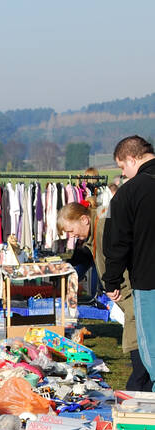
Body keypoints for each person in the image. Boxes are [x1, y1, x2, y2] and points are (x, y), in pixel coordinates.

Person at [102, 135, 155, 388]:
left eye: (122, 167)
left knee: (152, 352)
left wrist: (111, 280)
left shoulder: (126, 195)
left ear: (132, 159)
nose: (123, 174)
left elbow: (115, 242)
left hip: (148, 280)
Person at [93, 177, 147, 390]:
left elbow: (117, 249)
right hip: (134, 287)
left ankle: (137, 390)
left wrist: (112, 282)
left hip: (135, 288)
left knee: (139, 346)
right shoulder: (105, 219)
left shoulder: (107, 220)